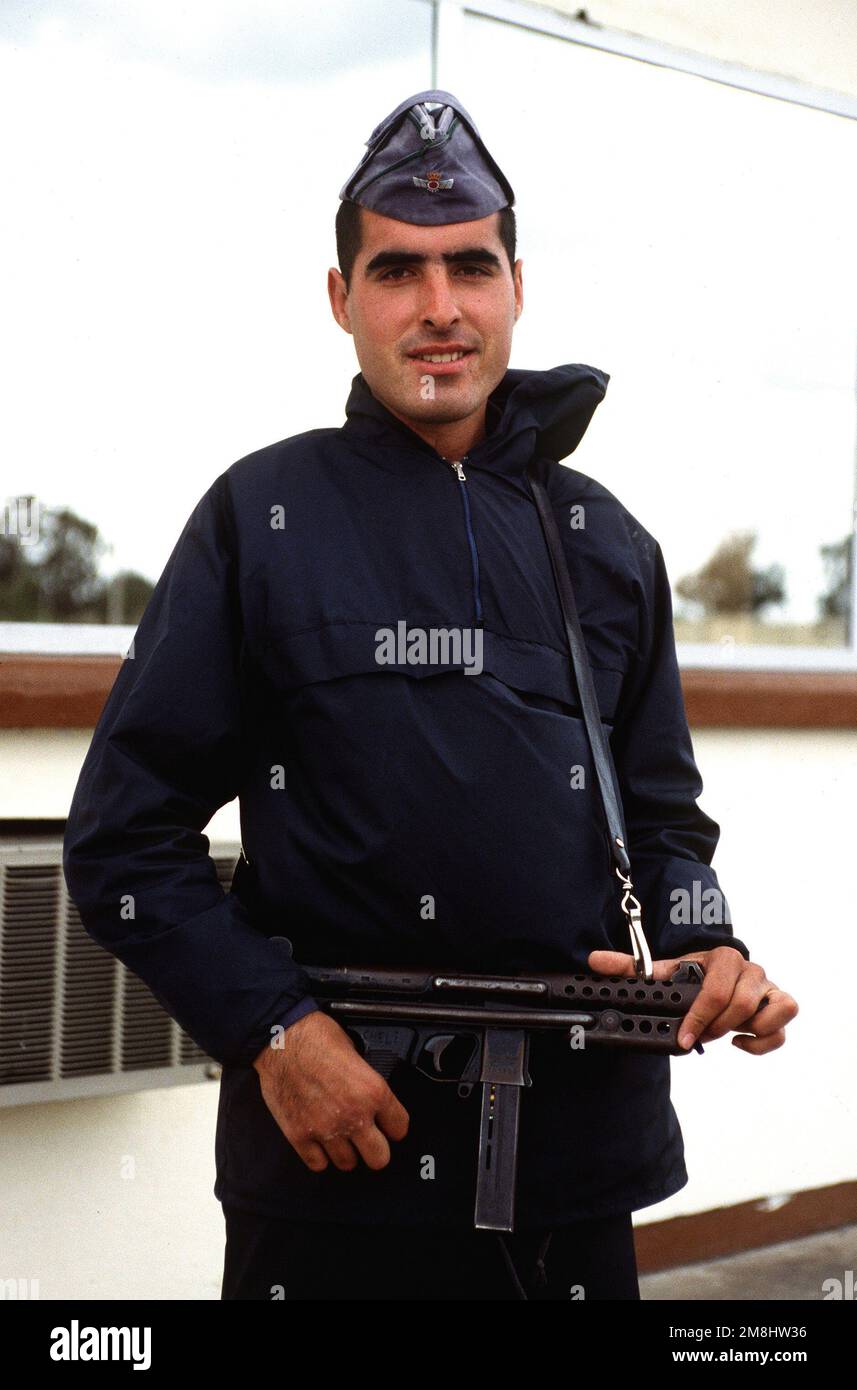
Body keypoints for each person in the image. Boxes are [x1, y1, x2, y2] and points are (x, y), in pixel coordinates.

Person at [63, 90, 798, 1302]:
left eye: (471, 264)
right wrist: (273, 1034)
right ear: (341, 298)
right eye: (397, 271)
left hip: (575, 1171)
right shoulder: (262, 518)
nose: (440, 307)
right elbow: (123, 843)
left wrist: (703, 941)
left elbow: (664, 824)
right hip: (336, 1158)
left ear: (517, 285)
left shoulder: (604, 543)